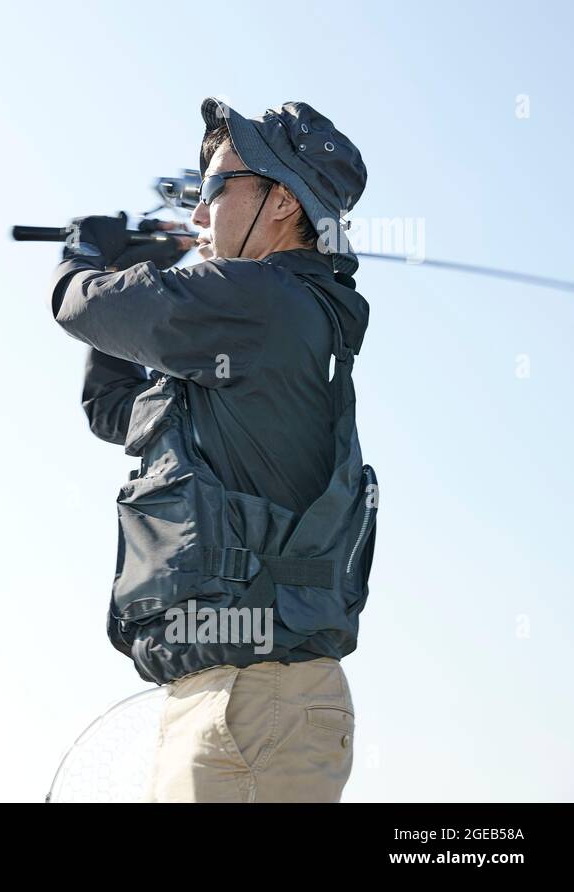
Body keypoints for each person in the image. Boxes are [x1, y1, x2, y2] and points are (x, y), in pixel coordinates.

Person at [48, 97, 375, 802]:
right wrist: (136, 265)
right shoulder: (249, 327)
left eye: (214, 189)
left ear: (282, 200)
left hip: (258, 702)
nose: (198, 215)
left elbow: (87, 307)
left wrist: (85, 257)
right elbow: (113, 409)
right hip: (224, 697)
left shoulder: (265, 301)